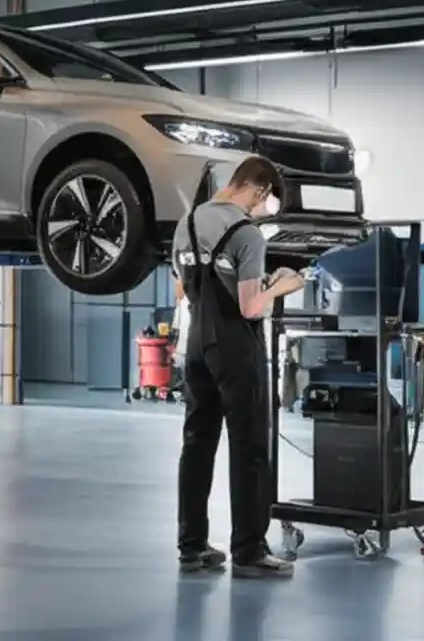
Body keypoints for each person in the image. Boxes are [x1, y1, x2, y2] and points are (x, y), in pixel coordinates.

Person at [171, 155, 307, 579]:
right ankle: (249, 552)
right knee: (249, 448)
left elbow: (182, 286)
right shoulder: (249, 235)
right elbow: (249, 307)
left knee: (197, 444)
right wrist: (286, 283)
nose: (260, 209)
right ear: (259, 189)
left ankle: (192, 547)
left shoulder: (187, 223)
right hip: (235, 348)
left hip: (198, 346)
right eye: (265, 201)